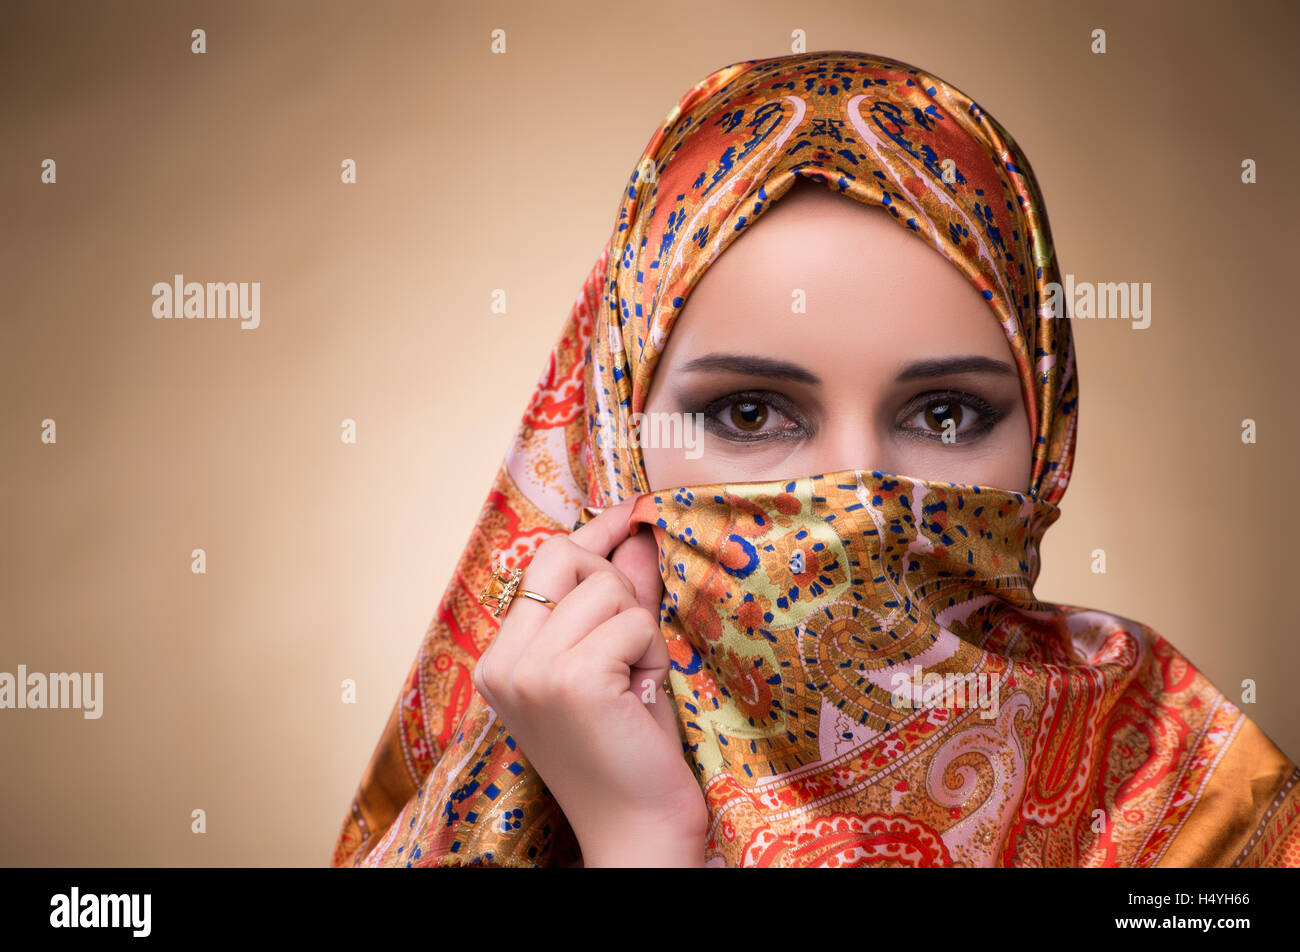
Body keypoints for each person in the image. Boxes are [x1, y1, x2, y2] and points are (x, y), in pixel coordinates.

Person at [331, 50, 1300, 867]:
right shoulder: (482, 826)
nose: (859, 498)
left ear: (1045, 443)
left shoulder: (1183, 804)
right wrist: (638, 834)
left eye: (948, 412)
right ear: (615, 439)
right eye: (750, 411)